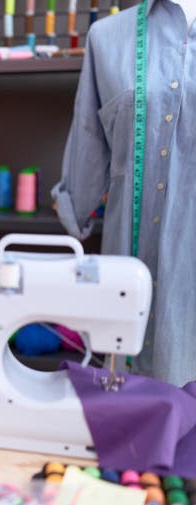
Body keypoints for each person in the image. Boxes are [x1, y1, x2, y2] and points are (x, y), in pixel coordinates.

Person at [52, 0, 196, 386]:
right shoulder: (108, 38)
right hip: (125, 275)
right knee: (127, 424)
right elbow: (89, 141)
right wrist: (74, 208)